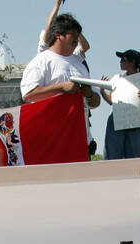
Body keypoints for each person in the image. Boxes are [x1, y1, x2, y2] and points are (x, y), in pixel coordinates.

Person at [20, 14, 99, 153]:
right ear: (58, 35)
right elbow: (28, 95)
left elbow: (96, 103)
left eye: (78, 34)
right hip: (52, 138)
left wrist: (89, 94)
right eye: (72, 34)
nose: (76, 39)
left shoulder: (80, 64)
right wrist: (61, 87)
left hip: (81, 139)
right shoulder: (41, 61)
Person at [102, 49, 140, 160]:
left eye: (123, 59)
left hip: (134, 119)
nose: (120, 62)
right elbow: (111, 101)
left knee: (134, 154)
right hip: (117, 118)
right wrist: (102, 91)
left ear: (132, 62)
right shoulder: (117, 78)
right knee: (113, 153)